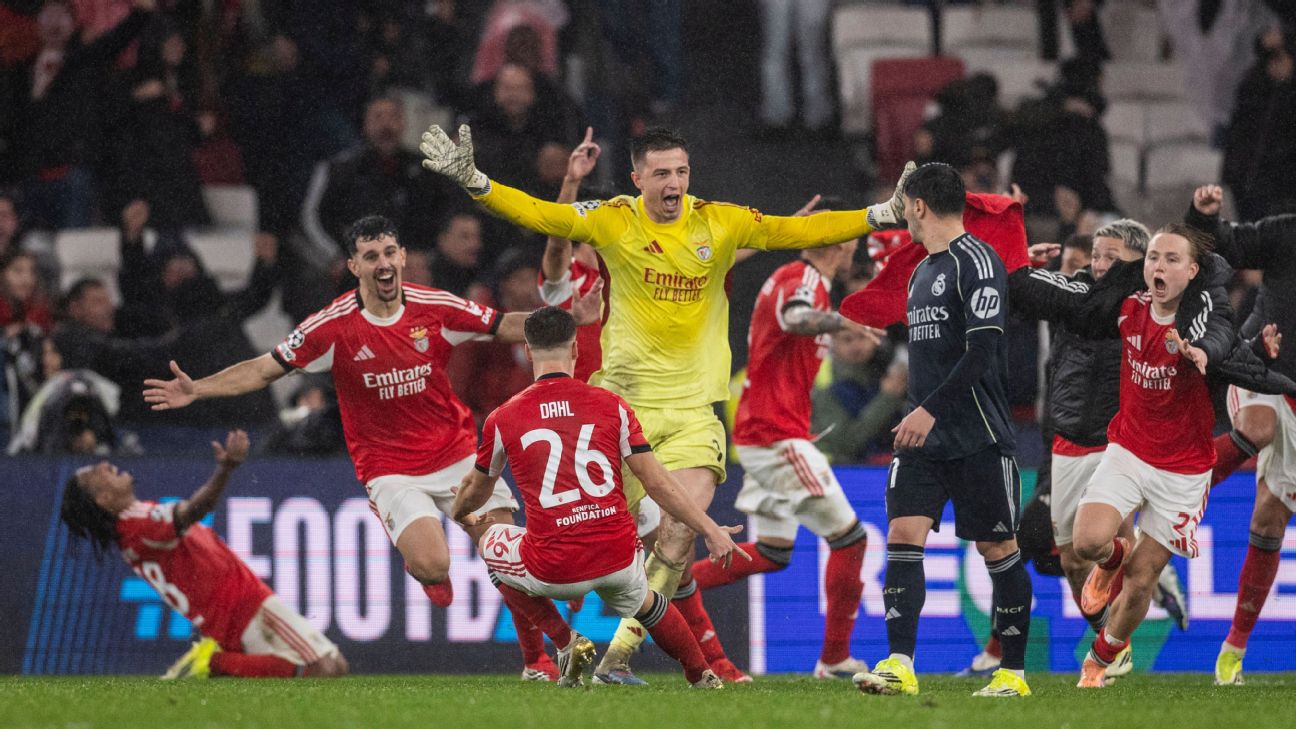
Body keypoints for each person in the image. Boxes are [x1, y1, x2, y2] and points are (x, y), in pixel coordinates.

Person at [419, 122, 911, 685]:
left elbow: (793, 229)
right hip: (619, 409)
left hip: (694, 413)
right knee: (590, 547)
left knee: (678, 535)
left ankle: (619, 657)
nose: (674, 182)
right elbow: (542, 216)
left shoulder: (718, 221)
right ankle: (556, 643)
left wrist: (880, 214)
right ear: (637, 179)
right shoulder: (614, 220)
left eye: (681, 171)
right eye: (661, 173)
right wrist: (477, 183)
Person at [142, 215, 602, 681]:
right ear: (354, 266)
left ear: (401, 257)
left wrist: (571, 319)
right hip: (390, 468)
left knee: (505, 551)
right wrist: (198, 389)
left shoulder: (434, 307)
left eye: (388, 253)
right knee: (433, 565)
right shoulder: (331, 327)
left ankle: (538, 661)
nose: (382, 263)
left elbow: (505, 325)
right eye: (370, 256)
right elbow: (264, 369)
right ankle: (429, 572)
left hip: (456, 454)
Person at [450, 306, 746, 688]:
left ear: (527, 350)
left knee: (490, 544)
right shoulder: (613, 405)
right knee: (648, 603)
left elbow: (477, 490)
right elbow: (657, 482)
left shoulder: (503, 418)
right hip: (618, 557)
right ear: (575, 349)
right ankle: (700, 673)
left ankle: (565, 642)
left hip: (553, 567)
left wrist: (460, 513)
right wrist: (709, 528)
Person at [1060, 224, 1286, 688]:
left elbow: (1232, 353)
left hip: (1183, 471)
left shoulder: (1203, 322)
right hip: (1128, 450)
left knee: (1143, 579)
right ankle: (1112, 559)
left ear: (1193, 271)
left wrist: (1256, 355)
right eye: (1153, 258)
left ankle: (1100, 660)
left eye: (1171, 259)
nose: (1158, 266)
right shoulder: (1128, 307)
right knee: (1086, 543)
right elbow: (1078, 306)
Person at [851, 163, 1033, 699]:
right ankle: (899, 665)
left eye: (904, 206)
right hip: (923, 438)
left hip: (978, 433)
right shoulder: (920, 271)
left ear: (918, 206)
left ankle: (1013, 674)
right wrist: (920, 410)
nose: (903, 216)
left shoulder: (977, 260)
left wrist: (929, 410)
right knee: (903, 536)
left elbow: (983, 350)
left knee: (997, 548)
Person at [690, 225, 877, 680]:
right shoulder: (804, 279)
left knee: (773, 553)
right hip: (776, 434)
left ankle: (667, 586)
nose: (854, 251)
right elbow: (795, 318)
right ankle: (834, 659)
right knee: (851, 540)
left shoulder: (798, 277)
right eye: (852, 242)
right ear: (837, 244)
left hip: (766, 430)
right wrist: (840, 321)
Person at [59, 430, 349, 679]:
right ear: (104, 499)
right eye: (99, 473)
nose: (107, 465)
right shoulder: (137, 526)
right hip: (245, 608)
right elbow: (195, 509)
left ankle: (219, 662)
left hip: (240, 608)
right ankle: (214, 663)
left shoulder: (133, 525)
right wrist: (226, 469)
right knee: (324, 669)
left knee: (337, 666)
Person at [1188, 184, 1296, 685]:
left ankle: (1233, 648)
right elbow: (1225, 242)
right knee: (1257, 427)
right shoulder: (1286, 232)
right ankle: (1177, 484)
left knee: (1269, 519)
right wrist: (1203, 215)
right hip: (1259, 363)